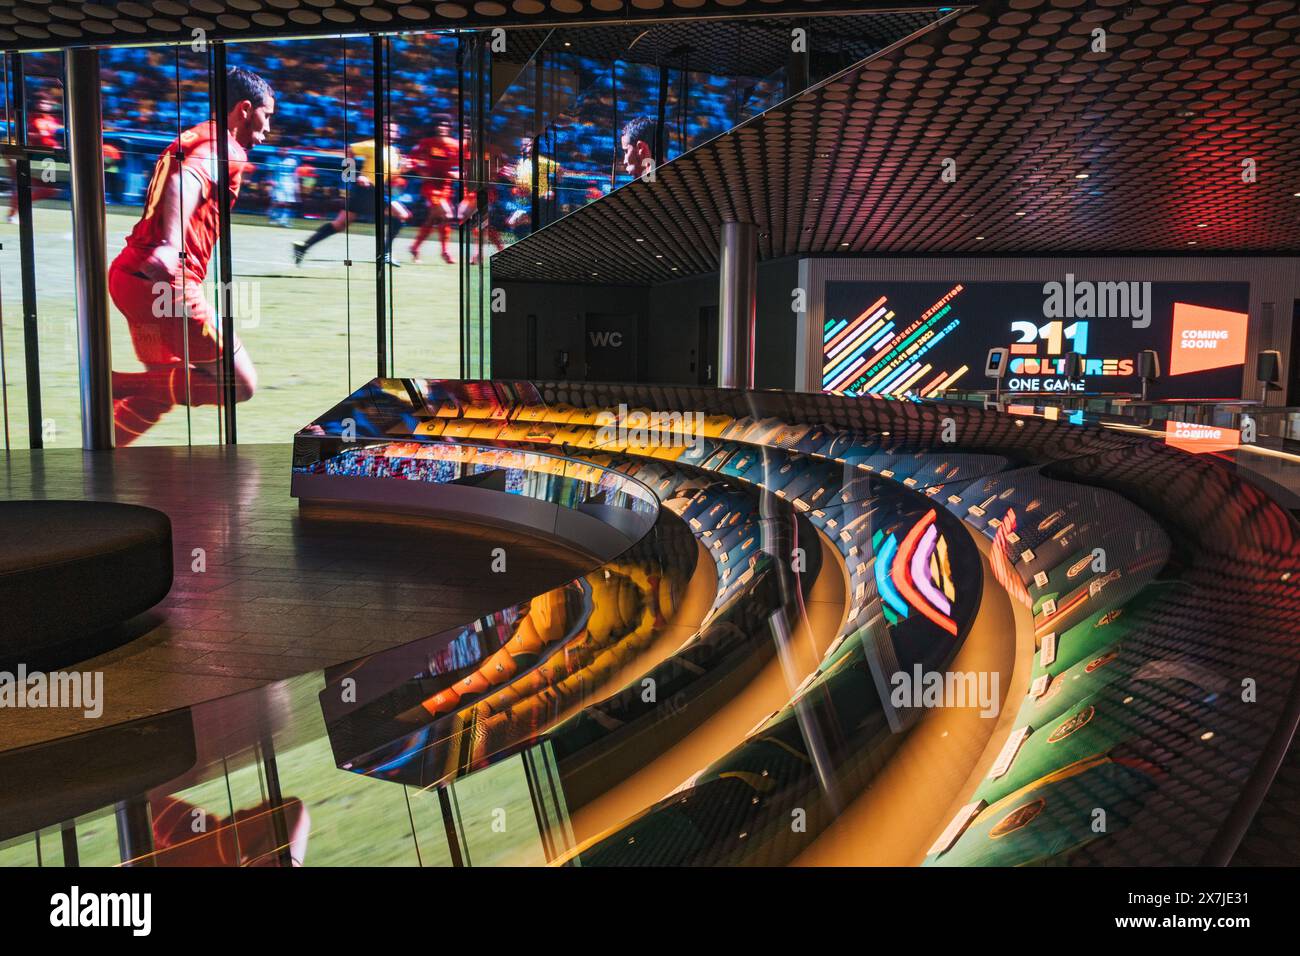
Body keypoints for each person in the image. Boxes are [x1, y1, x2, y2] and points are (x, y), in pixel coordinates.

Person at [108, 67, 274, 446]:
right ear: (245, 109)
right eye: (267, 117)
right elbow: (188, 179)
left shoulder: (197, 135)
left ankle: (98, 461)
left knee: (159, 392)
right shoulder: (227, 149)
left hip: (131, 280)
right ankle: (110, 383)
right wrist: (170, 245)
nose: (267, 131)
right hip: (167, 288)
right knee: (240, 385)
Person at [293, 120, 411, 266]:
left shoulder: (394, 152)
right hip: (367, 189)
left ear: (397, 134)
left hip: (372, 191)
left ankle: (303, 245)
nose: (389, 133)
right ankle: (385, 254)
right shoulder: (372, 145)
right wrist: (352, 176)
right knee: (401, 215)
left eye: (392, 131)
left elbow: (390, 177)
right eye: (386, 130)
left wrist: (403, 170)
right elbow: (349, 150)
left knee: (340, 224)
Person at [408, 114, 460, 264]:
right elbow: (411, 158)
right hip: (431, 186)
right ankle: (445, 252)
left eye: (446, 125)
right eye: (439, 124)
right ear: (435, 127)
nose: (442, 127)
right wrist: (421, 171)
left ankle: (415, 247)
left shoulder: (456, 145)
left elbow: (463, 166)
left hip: (446, 186)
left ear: (450, 128)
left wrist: (458, 173)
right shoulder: (426, 143)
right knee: (447, 213)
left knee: (434, 219)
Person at [7, 96, 62, 223]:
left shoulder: (51, 119)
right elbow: (24, 135)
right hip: (37, 159)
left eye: (47, 102)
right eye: (41, 101)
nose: (44, 104)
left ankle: (15, 211)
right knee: (39, 188)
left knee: (49, 190)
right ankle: (14, 212)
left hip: (48, 160)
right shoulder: (32, 118)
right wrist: (38, 135)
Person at [269, 152, 299, 226]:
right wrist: (270, 180)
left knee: (288, 202)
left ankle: (284, 219)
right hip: (278, 181)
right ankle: (273, 216)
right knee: (279, 201)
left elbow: (295, 173)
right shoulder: (273, 158)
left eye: (286, 148)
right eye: (282, 148)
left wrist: (296, 184)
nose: (284, 150)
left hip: (289, 182)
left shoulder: (293, 160)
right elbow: (270, 171)